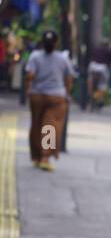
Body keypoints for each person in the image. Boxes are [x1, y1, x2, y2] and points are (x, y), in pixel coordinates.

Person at [25, 31, 74, 172]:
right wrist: (66, 92)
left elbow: (30, 75)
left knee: (36, 125)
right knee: (50, 126)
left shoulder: (35, 56)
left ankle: (36, 157)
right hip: (56, 97)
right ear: (56, 44)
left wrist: (28, 90)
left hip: (37, 96)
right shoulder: (62, 58)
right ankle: (45, 157)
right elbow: (70, 77)